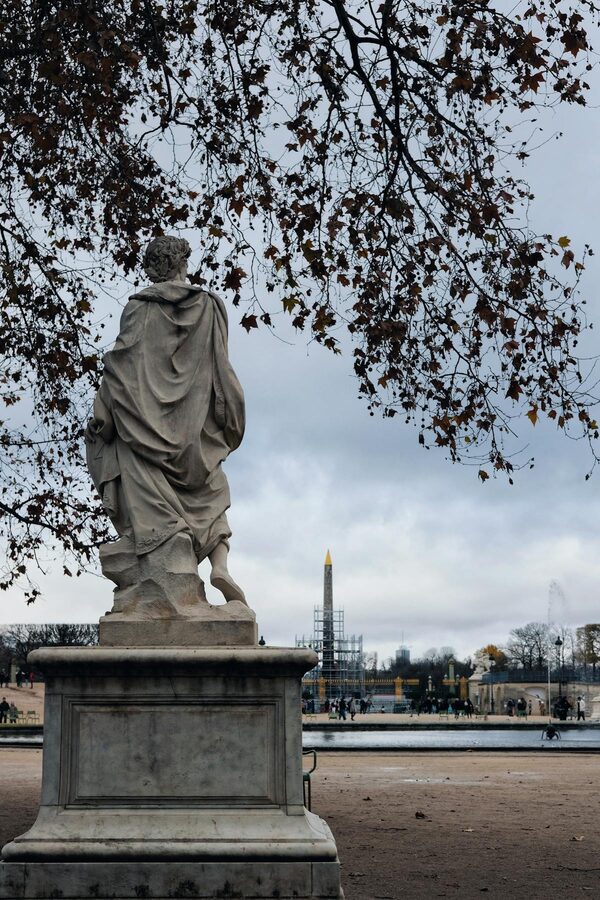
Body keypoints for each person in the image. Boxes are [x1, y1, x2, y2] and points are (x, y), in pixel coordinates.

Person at [86, 235, 246, 610]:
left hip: (142, 427)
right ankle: (219, 565)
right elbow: (222, 371)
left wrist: (106, 414)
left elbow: (121, 364)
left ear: (153, 268)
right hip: (194, 430)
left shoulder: (139, 308)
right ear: (181, 263)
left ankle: (164, 576)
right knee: (212, 493)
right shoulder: (209, 306)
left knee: (157, 507)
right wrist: (227, 419)